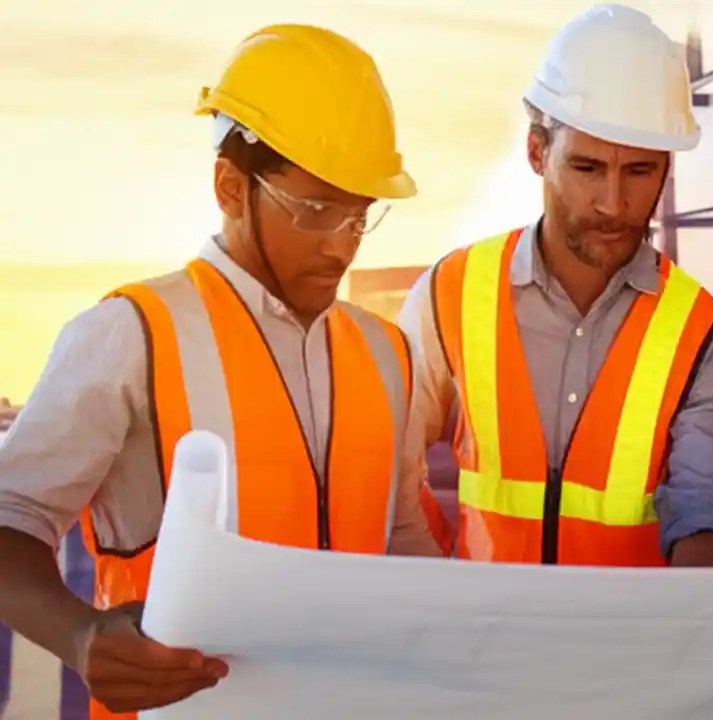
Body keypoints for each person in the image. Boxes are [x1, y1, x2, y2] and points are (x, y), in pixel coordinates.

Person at [0, 23, 444, 719]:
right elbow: (10, 518)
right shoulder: (131, 334)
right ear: (230, 187)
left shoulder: (387, 352)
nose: (342, 245)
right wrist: (81, 637)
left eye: (360, 216)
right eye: (317, 210)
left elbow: (399, 534)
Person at [398, 3, 713, 568]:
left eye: (639, 172)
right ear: (538, 151)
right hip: (474, 645)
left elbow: (709, 509)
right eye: (587, 168)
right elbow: (385, 474)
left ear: (667, 167)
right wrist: (437, 599)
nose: (614, 204)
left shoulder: (705, 338)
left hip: (629, 650)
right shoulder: (450, 295)